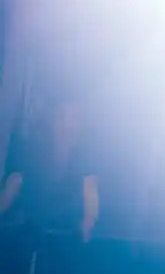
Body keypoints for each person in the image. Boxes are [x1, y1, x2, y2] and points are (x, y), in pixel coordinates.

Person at [0, 98, 99, 242]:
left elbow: (91, 191)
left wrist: (88, 223)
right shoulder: (33, 151)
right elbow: (14, 184)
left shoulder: (85, 157)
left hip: (65, 232)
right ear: (53, 121)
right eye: (61, 117)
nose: (66, 124)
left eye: (74, 118)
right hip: (27, 228)